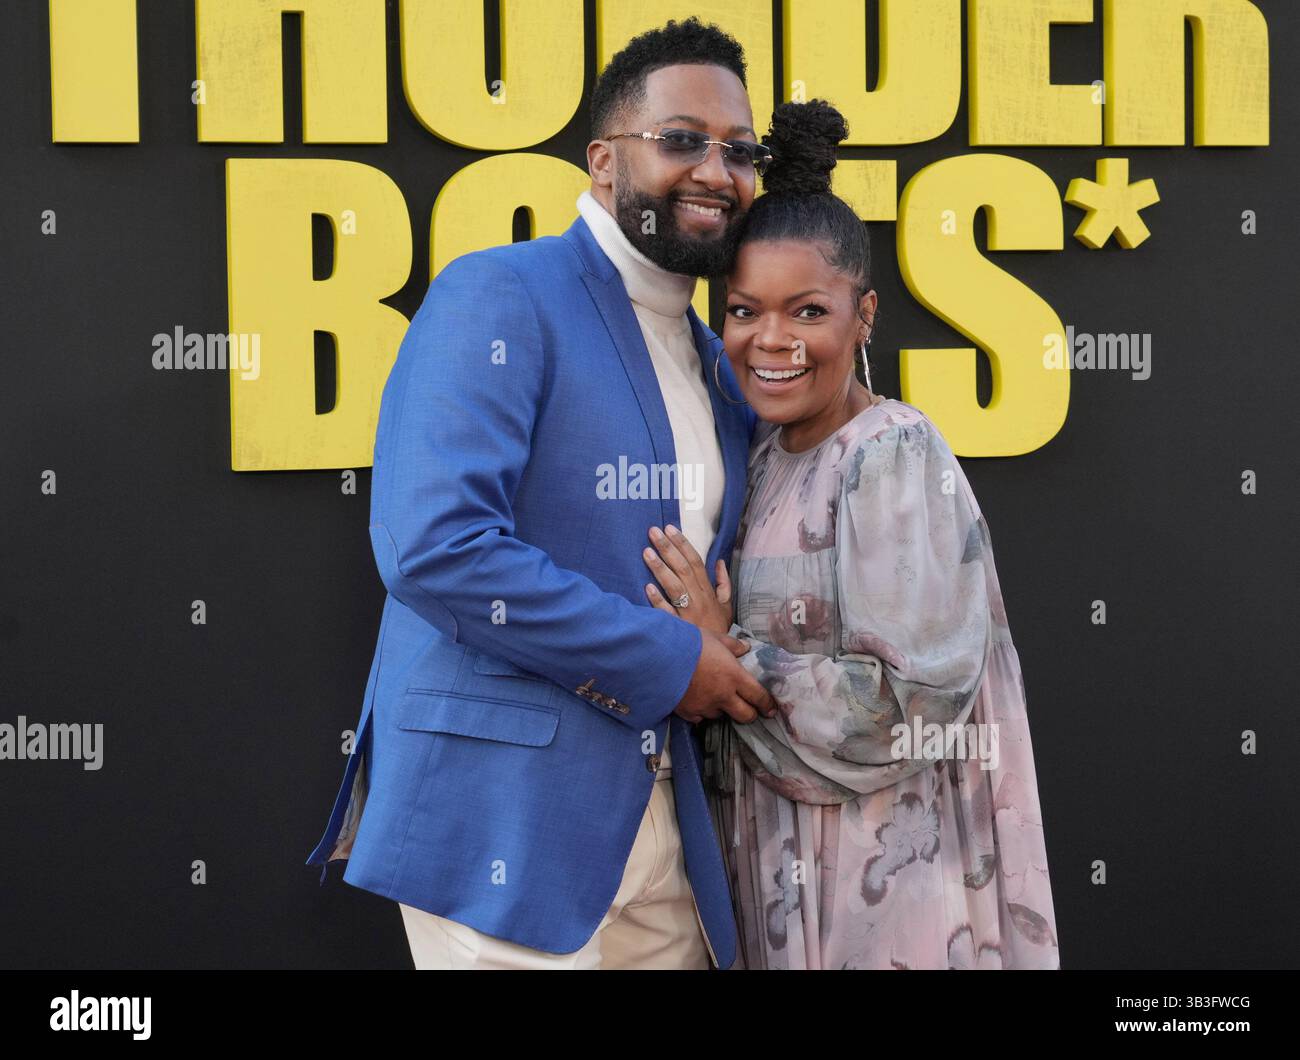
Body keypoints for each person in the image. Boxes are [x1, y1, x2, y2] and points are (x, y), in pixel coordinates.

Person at [304, 17, 778, 970]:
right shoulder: (499, 294)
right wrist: (668, 659)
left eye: (739, 150)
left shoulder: (717, 359)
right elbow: (436, 546)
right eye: (682, 139)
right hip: (503, 826)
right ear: (604, 160)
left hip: (673, 831)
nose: (716, 171)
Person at [640, 99, 1062, 969]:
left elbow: (905, 706)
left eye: (806, 313)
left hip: (894, 890)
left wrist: (727, 653)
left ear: (862, 315)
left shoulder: (894, 454)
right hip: (783, 870)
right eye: (745, 311)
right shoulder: (761, 455)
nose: (770, 341)